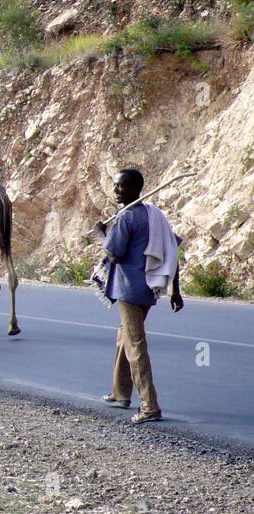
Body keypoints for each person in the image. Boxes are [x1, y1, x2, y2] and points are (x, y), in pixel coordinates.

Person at [93, 168, 184, 424]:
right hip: (149, 288)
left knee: (135, 344)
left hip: (129, 289)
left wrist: (102, 233)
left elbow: (114, 253)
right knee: (125, 335)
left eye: (120, 186)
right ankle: (120, 393)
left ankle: (149, 405)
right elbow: (171, 252)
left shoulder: (126, 218)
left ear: (134, 189)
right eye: (115, 186)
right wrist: (175, 290)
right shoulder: (155, 216)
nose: (116, 190)